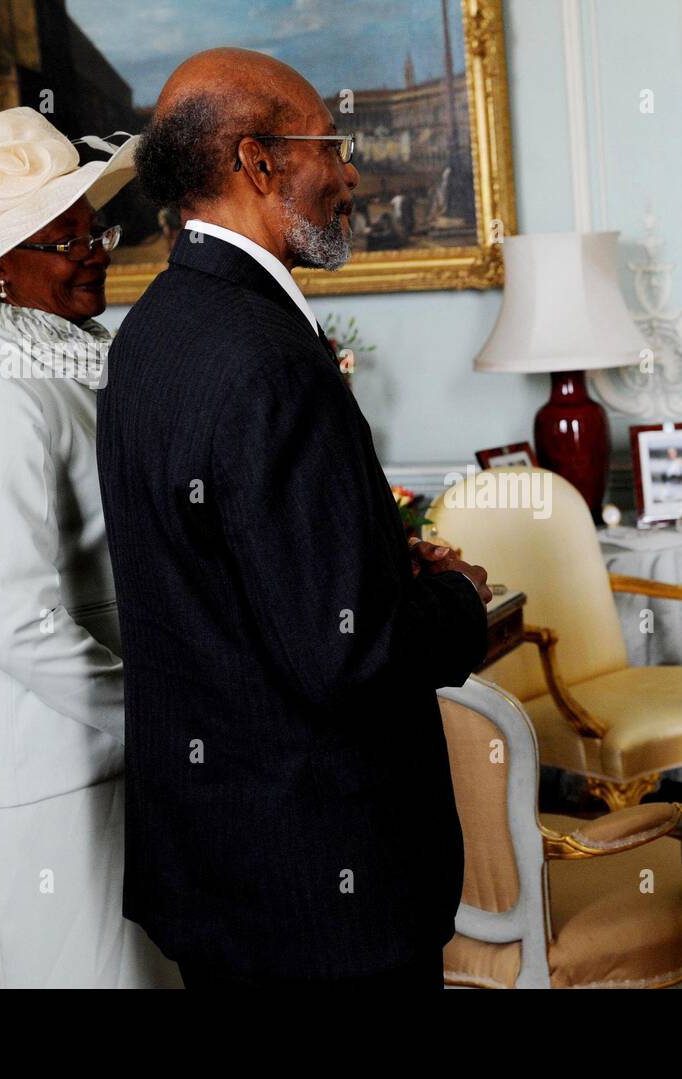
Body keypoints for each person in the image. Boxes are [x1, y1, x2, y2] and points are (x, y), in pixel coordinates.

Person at [96, 47, 492, 988]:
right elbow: (343, 658)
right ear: (259, 162)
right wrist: (458, 602)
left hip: (219, 860)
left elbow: (233, 575)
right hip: (320, 880)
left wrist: (383, 567)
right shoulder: (268, 355)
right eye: (333, 145)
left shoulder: (150, 328)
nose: (351, 172)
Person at [0, 107, 182, 987]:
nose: (96, 250)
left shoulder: (92, 361)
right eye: (64, 242)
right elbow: (17, 624)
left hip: (115, 728)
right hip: (49, 753)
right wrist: (156, 720)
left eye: (93, 229)